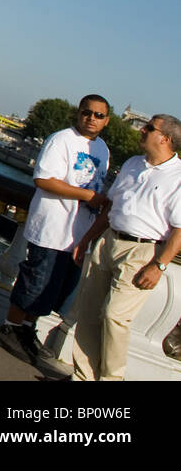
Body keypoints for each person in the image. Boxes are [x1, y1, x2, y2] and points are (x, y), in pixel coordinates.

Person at [0, 95, 111, 373]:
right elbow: (43, 179)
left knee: (53, 290)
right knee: (34, 281)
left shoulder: (103, 149)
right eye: (87, 113)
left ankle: (26, 330)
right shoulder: (61, 140)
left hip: (77, 234)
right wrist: (87, 195)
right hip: (52, 226)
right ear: (78, 114)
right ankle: (9, 328)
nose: (91, 118)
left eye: (99, 115)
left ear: (106, 121)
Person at [67, 113, 181, 381]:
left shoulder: (178, 177)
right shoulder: (132, 164)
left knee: (114, 316)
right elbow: (110, 208)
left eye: (149, 128)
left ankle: (111, 380)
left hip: (142, 252)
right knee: (89, 312)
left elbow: (179, 231)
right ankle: (83, 377)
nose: (142, 130)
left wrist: (159, 265)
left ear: (165, 138)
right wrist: (87, 239)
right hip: (108, 239)